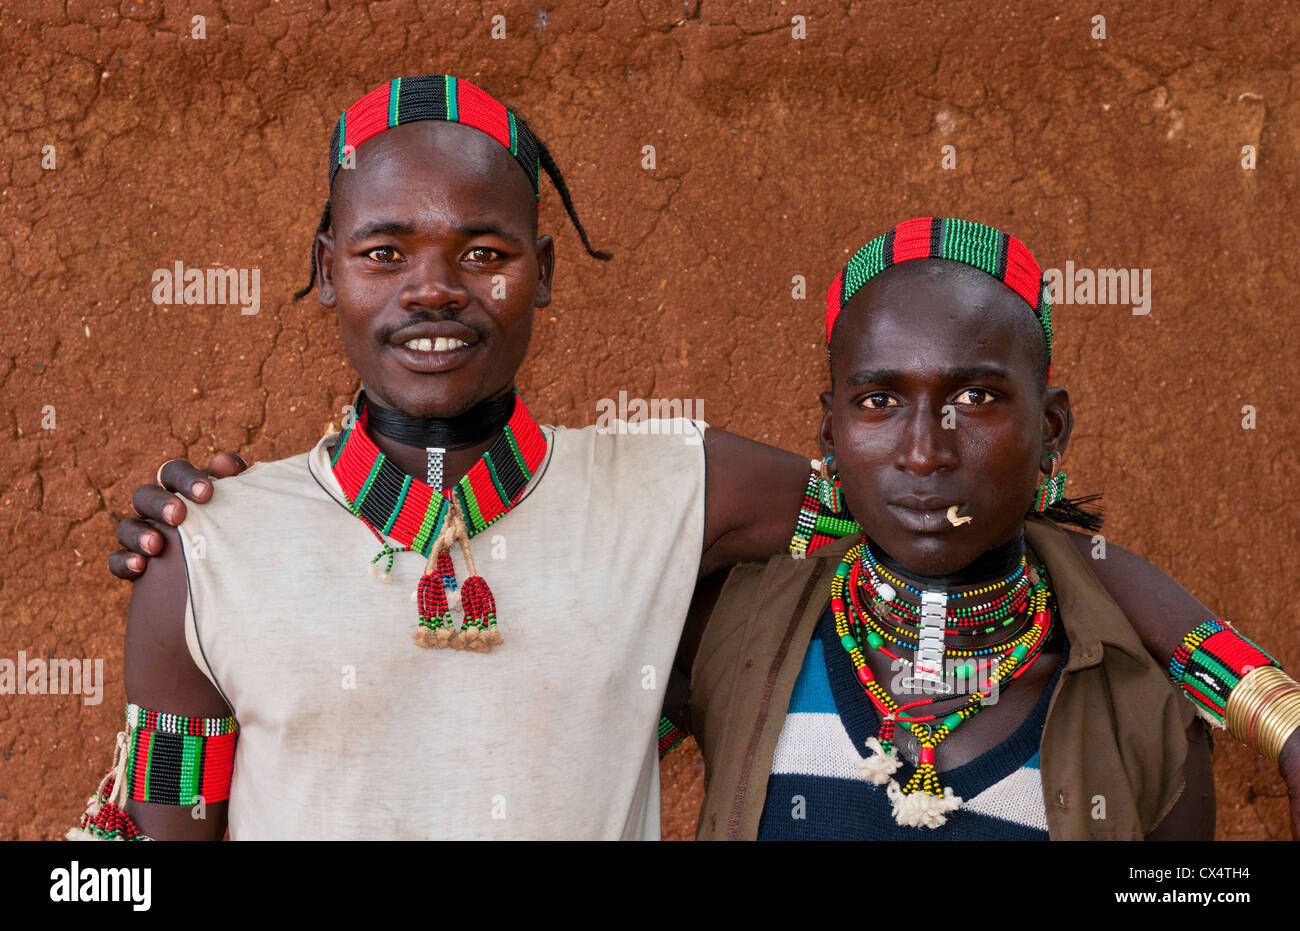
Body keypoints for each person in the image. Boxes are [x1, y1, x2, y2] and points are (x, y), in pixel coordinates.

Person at [92, 84, 1300, 838]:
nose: (432, 291)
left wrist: (1272, 712)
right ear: (324, 267)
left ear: (545, 273)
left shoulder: (673, 491)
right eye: (382, 251)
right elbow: (152, 857)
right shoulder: (208, 550)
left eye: (484, 251)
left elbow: (962, 518)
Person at [682, 218, 1300, 840]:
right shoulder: (731, 635)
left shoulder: (1140, 720)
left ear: (1051, 429)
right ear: (829, 433)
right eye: (878, 401)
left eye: (976, 397)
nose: (924, 454)